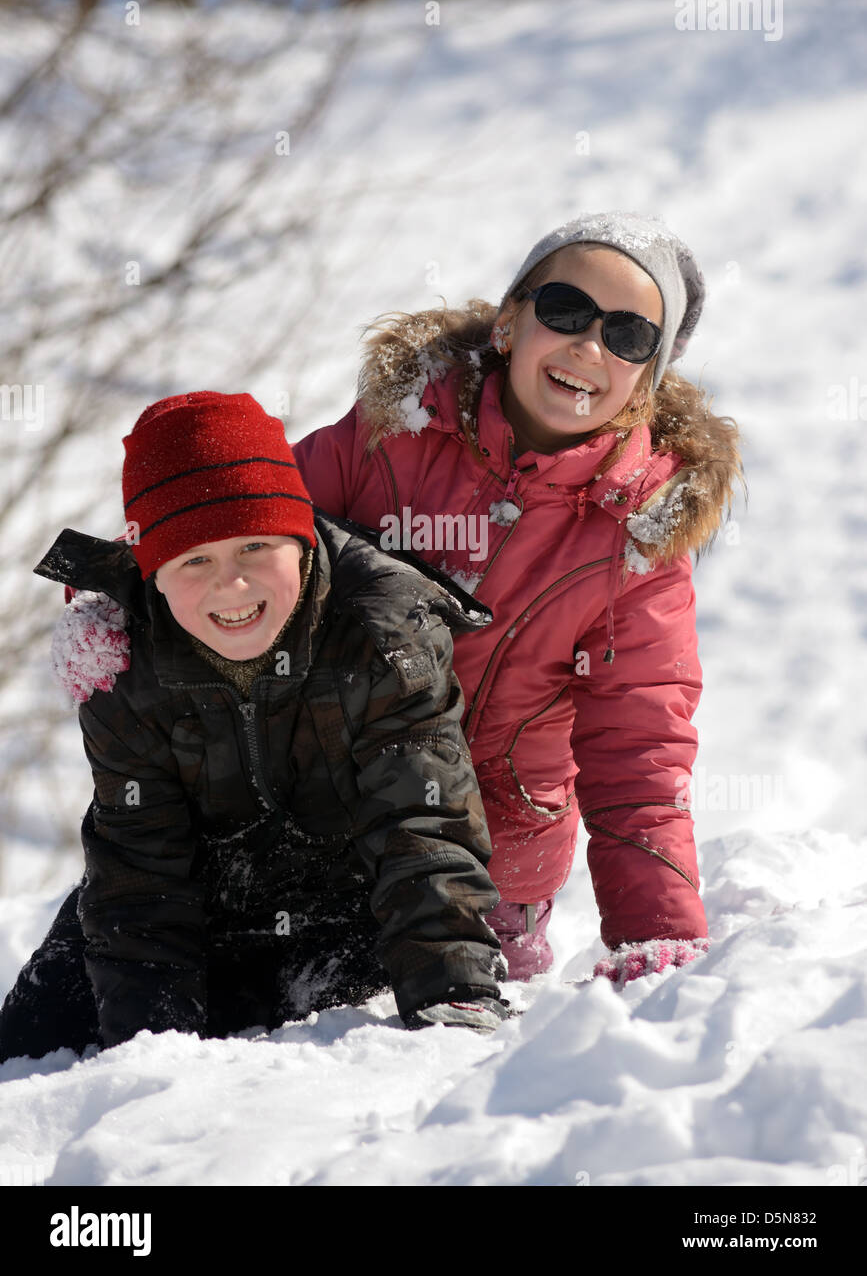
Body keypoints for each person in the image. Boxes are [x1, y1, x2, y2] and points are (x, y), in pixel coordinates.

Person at [42, 212, 744, 990]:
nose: (587, 346)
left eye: (628, 336)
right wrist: (115, 597)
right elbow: (233, 524)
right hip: (330, 814)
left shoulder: (634, 543)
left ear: (647, 380)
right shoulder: (392, 435)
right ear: (510, 322)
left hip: (491, 860)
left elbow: (639, 755)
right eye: (566, 312)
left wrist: (656, 933)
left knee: (428, 1044)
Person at [0, 392, 507, 1064]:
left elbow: (421, 822)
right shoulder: (121, 658)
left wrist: (454, 992)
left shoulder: (380, 627)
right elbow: (141, 869)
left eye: (254, 546)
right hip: (202, 899)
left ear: (298, 539)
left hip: (348, 903)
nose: (231, 586)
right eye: (194, 560)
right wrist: (149, 1053)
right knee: (29, 1049)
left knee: (288, 1024)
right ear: (154, 572)